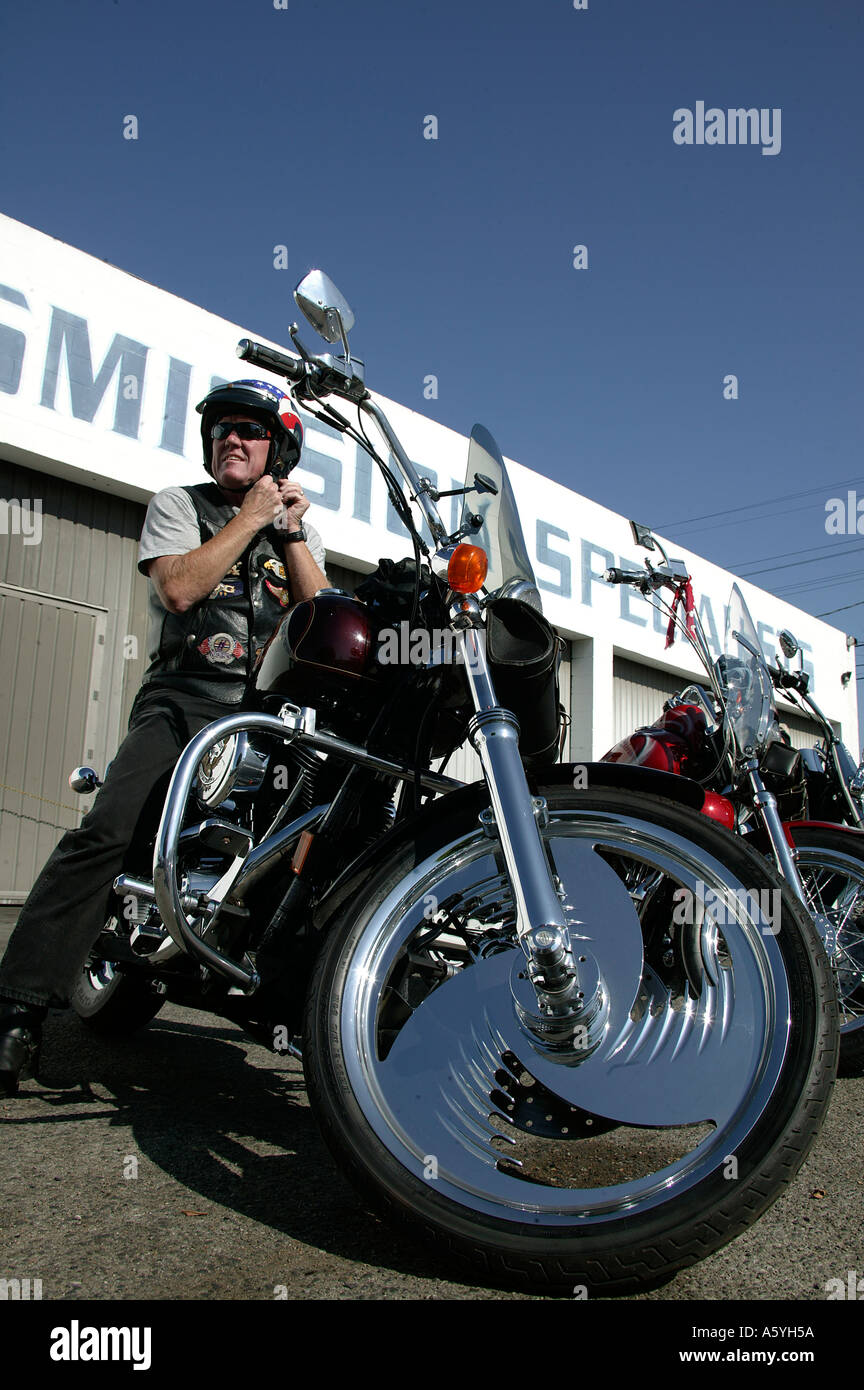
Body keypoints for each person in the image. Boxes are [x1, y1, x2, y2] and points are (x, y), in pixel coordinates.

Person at [0, 379, 328, 1094]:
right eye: (220, 429)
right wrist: (246, 519)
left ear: (280, 448)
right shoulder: (182, 504)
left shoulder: (293, 527)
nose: (230, 439)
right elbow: (180, 589)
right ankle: (17, 1009)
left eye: (248, 429)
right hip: (185, 704)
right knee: (108, 828)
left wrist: (292, 533)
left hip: (271, 722)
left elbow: (320, 621)